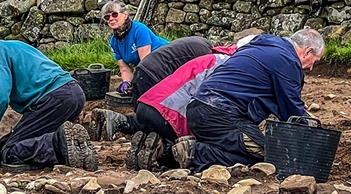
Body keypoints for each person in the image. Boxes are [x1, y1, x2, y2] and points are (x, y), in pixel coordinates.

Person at [173, 29, 325, 171]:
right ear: (308, 51)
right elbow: (291, 108)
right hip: (220, 114)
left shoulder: (263, 46)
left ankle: (182, 148)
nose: (311, 67)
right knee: (270, 155)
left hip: (200, 108)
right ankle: (191, 154)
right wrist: (311, 132)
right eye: (315, 61)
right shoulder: (287, 60)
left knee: (244, 145)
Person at [91, 38, 247, 171]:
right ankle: (162, 149)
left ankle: (123, 122)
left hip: (146, 82)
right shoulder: (219, 62)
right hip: (156, 79)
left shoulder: (203, 47)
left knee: (156, 115)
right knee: (181, 124)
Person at [0, 30, 97, 172]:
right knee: (6, 143)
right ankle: (71, 144)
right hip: (74, 92)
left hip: (53, 99)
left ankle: (58, 146)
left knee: (11, 152)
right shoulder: (14, 45)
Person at [102, 0, 169, 96]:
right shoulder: (114, 42)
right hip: (151, 67)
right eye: (107, 17)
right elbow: (124, 68)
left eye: (115, 14)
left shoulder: (139, 29)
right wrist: (126, 82)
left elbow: (145, 62)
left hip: (166, 60)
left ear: (125, 15)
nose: (111, 19)